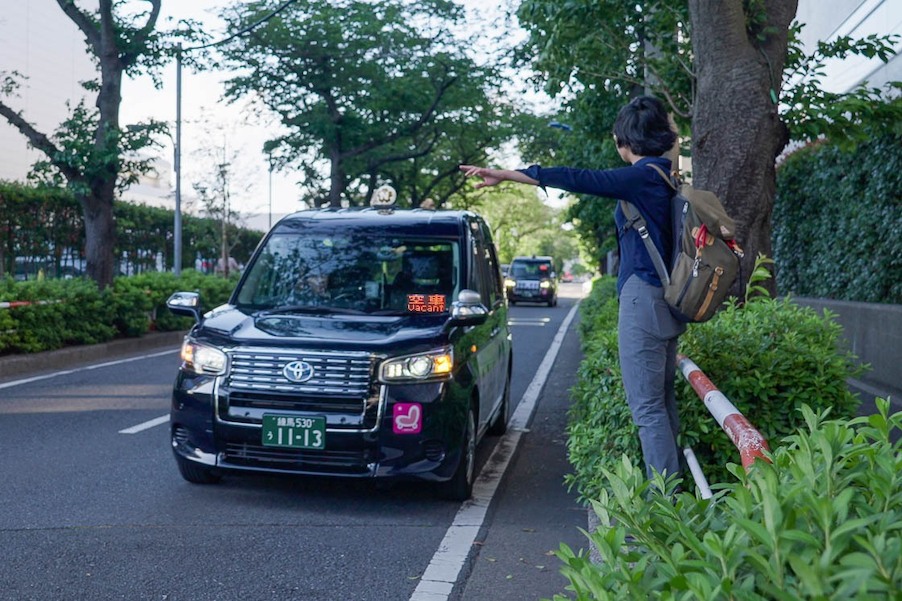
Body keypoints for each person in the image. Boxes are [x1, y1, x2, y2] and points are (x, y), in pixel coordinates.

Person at [460, 95, 685, 482]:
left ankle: (664, 505)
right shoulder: (667, 175)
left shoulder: (642, 176)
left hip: (642, 300)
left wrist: (508, 173)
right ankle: (673, 494)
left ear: (624, 142)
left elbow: (578, 178)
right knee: (661, 403)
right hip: (665, 301)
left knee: (646, 408)